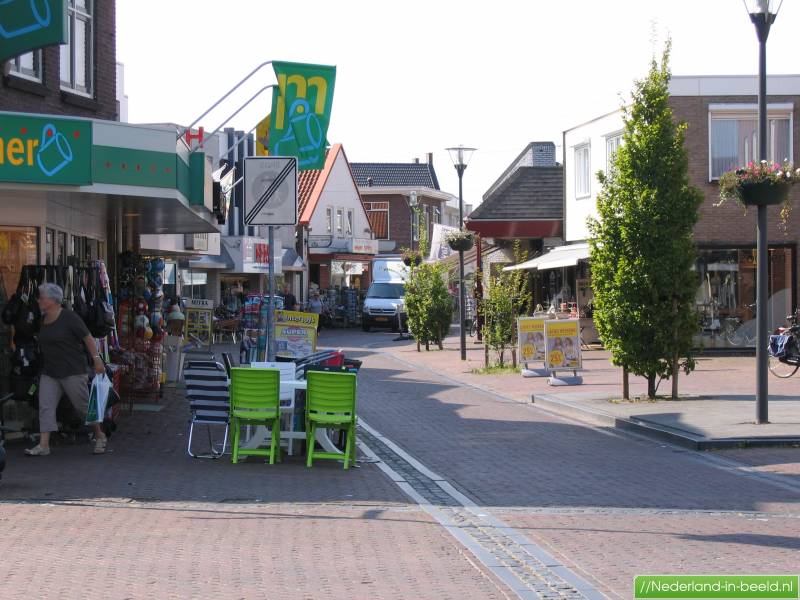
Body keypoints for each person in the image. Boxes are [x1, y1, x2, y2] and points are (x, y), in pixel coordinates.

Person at [25, 283, 107, 456]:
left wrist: (97, 360)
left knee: (83, 407)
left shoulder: (69, 317)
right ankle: (44, 444)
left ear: (52, 300)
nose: (39, 300)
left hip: (72, 370)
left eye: (42, 297)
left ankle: (99, 435)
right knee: (45, 406)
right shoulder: (43, 319)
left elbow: (88, 338)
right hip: (50, 371)